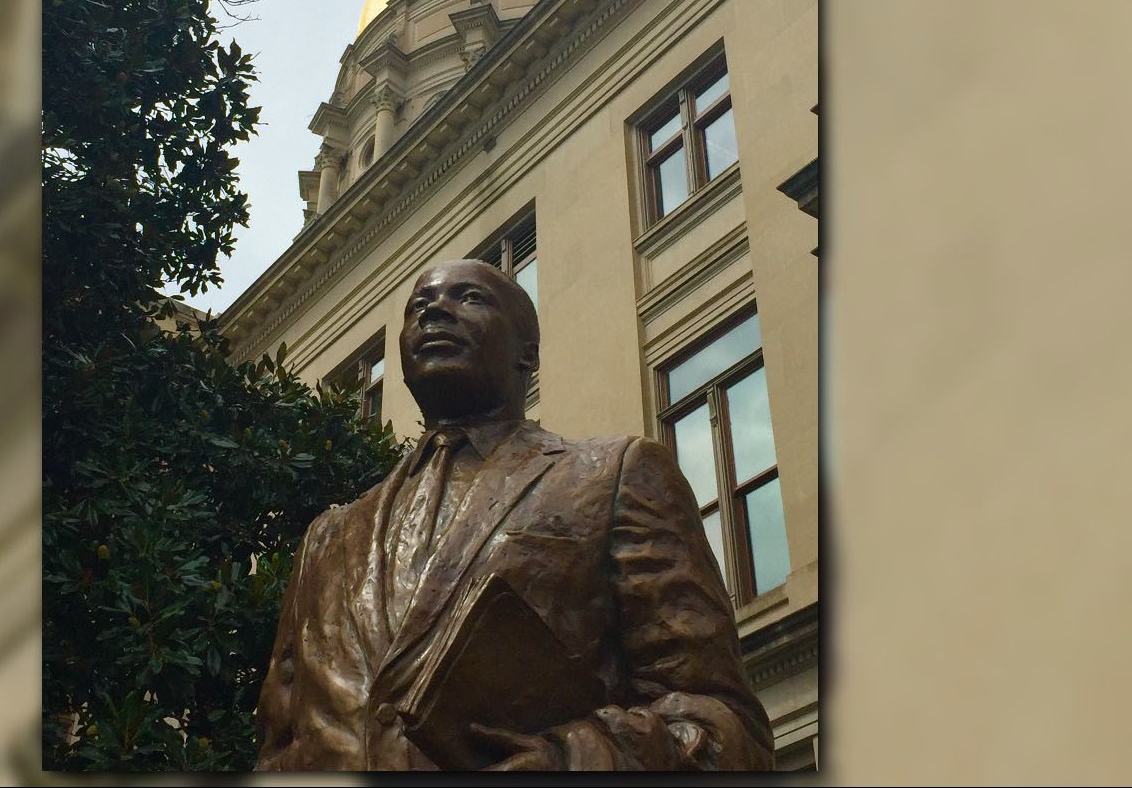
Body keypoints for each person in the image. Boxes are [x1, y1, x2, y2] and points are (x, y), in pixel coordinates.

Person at [254, 259, 774, 771]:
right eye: (420, 306)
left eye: (469, 297)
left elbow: (725, 727)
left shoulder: (614, 475)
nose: (436, 312)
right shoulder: (328, 538)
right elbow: (278, 743)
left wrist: (572, 760)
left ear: (528, 354)